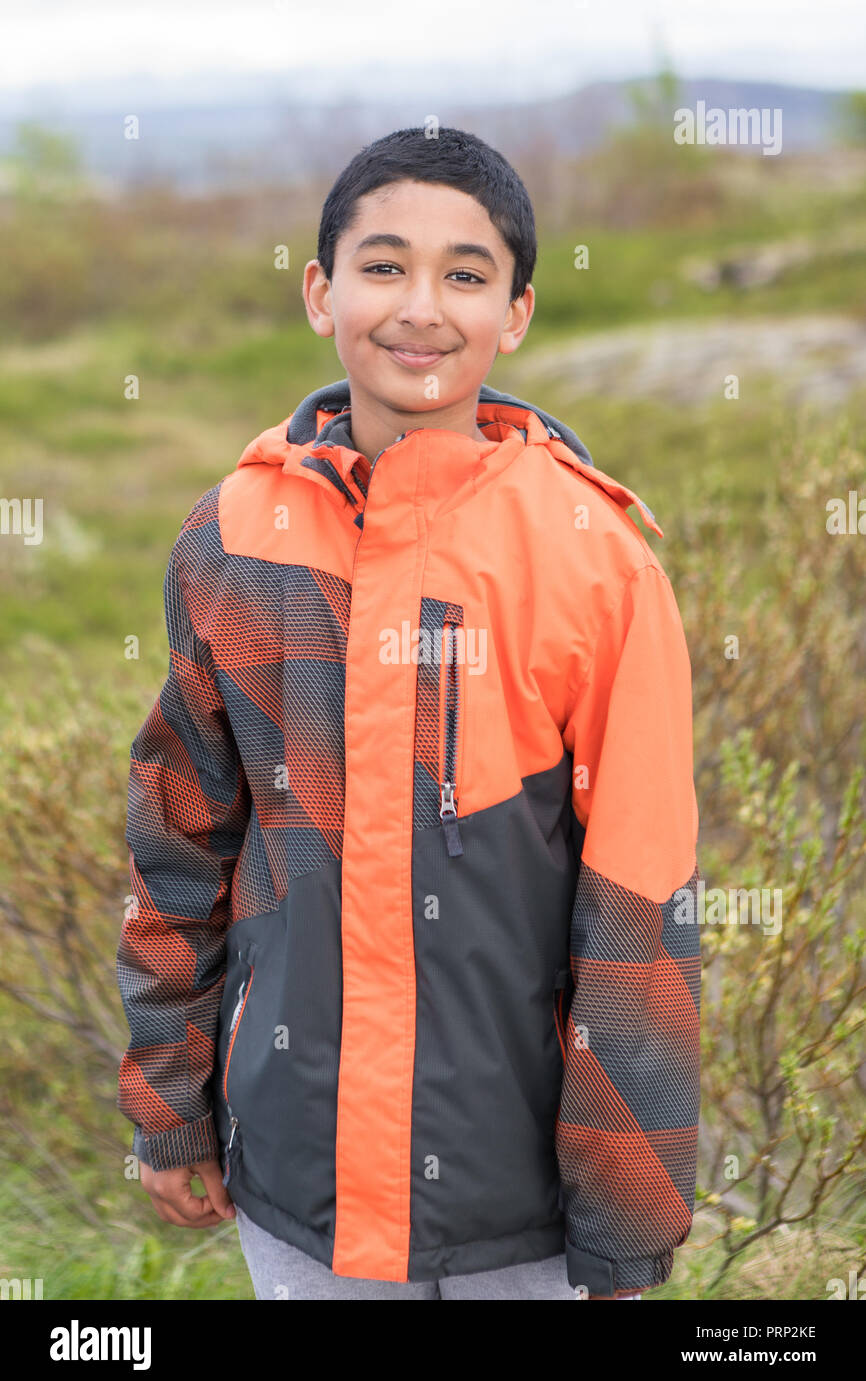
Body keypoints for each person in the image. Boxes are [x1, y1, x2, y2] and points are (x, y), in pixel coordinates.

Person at [115, 125, 701, 1301]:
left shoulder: (594, 560)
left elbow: (639, 910)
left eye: (465, 275)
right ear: (320, 291)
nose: (419, 308)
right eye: (382, 267)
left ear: (517, 313)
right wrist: (168, 1105)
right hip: (296, 1187)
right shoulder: (232, 534)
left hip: (518, 1219)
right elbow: (180, 844)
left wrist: (625, 1229)